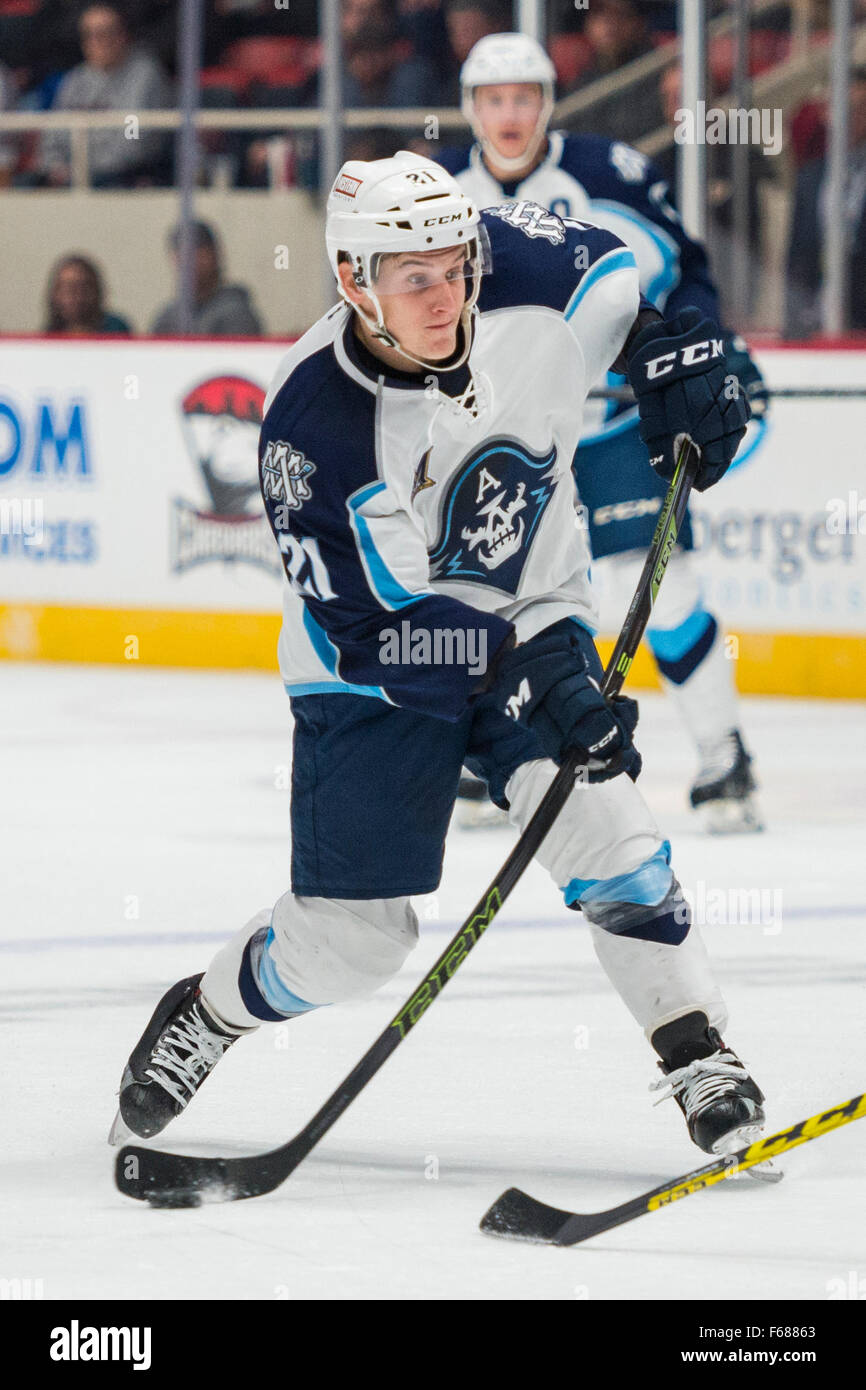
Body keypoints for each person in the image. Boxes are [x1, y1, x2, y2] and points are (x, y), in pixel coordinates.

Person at [110, 150, 769, 1170]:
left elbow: (644, 301)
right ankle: (214, 1009)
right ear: (351, 282)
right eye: (409, 275)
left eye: (453, 264)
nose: (442, 293)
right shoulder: (311, 427)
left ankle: (697, 1050)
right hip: (365, 670)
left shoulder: (540, 272)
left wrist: (677, 358)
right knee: (353, 944)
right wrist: (526, 675)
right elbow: (385, 629)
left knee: (611, 836)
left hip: (531, 605)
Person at [436, 32, 767, 832]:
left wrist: (698, 349)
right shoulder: (442, 195)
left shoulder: (607, 170)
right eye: (492, 100)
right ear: (472, 110)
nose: (509, 115)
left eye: (523, 98)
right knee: (486, 593)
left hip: (620, 422)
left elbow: (686, 267)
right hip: (513, 431)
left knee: (654, 587)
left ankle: (724, 757)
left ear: (547, 103)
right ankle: (495, 751)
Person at [37, 3, 173, 189]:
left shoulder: (144, 76)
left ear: (123, 35)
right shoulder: (75, 79)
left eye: (106, 32)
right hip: (75, 176)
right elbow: (53, 137)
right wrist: (56, 166)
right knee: (26, 184)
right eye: (90, 35)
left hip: (124, 177)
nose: (98, 41)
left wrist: (83, 170)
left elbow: (132, 139)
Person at [785, 67, 866, 338]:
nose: (847, 118)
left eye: (857, 108)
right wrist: (794, 323)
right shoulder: (810, 177)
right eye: (837, 107)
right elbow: (797, 256)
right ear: (824, 114)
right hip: (817, 321)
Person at [149, 220, 263, 336]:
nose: (187, 263)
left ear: (214, 255)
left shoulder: (236, 315)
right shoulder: (168, 317)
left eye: (197, 253)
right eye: (180, 255)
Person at [44, 255, 132, 335]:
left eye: (83, 287)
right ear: (55, 293)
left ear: (97, 290)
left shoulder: (116, 329)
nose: (75, 295)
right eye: (68, 288)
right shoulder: (47, 337)